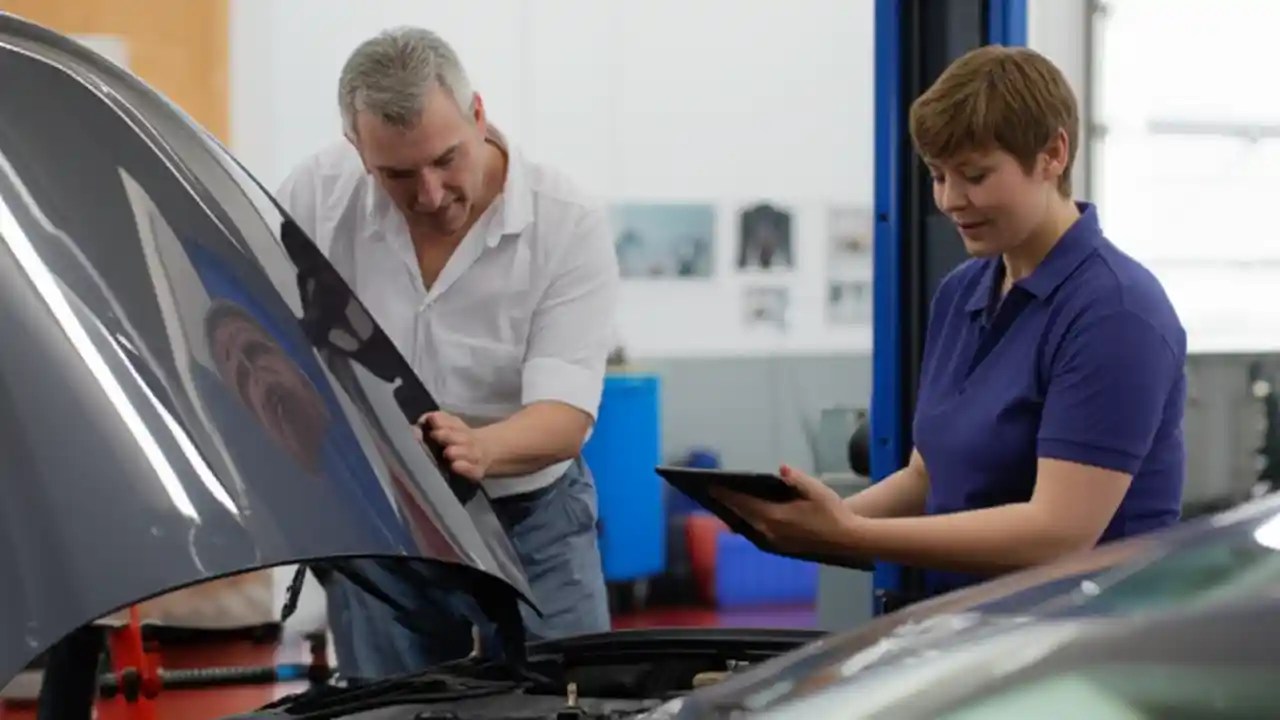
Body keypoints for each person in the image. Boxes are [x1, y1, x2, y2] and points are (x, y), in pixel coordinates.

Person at [713, 45, 1187, 603]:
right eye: (938, 176)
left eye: (975, 175)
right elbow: (927, 477)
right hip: (968, 628)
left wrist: (848, 534)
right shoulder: (963, 292)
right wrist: (807, 523)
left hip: (1085, 637)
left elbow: (1059, 533)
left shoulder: (1116, 312)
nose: (950, 200)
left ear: (1053, 155)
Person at [274, 26, 619, 675]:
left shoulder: (566, 222)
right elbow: (267, 336)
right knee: (390, 705)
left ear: (478, 115)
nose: (430, 195)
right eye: (398, 174)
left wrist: (480, 449)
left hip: (532, 512)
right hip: (385, 515)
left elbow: (565, 417)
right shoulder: (316, 196)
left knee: (569, 695)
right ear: (356, 147)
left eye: (446, 159)